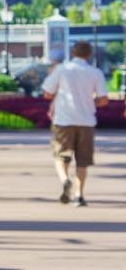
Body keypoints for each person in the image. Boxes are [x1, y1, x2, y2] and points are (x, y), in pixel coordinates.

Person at [42, 42, 103, 206]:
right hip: (86, 121)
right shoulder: (95, 72)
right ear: (89, 54)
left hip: (63, 120)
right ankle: (79, 195)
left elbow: (47, 92)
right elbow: (104, 99)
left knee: (60, 155)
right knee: (83, 160)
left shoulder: (62, 69)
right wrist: (89, 102)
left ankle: (64, 180)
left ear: (72, 53)